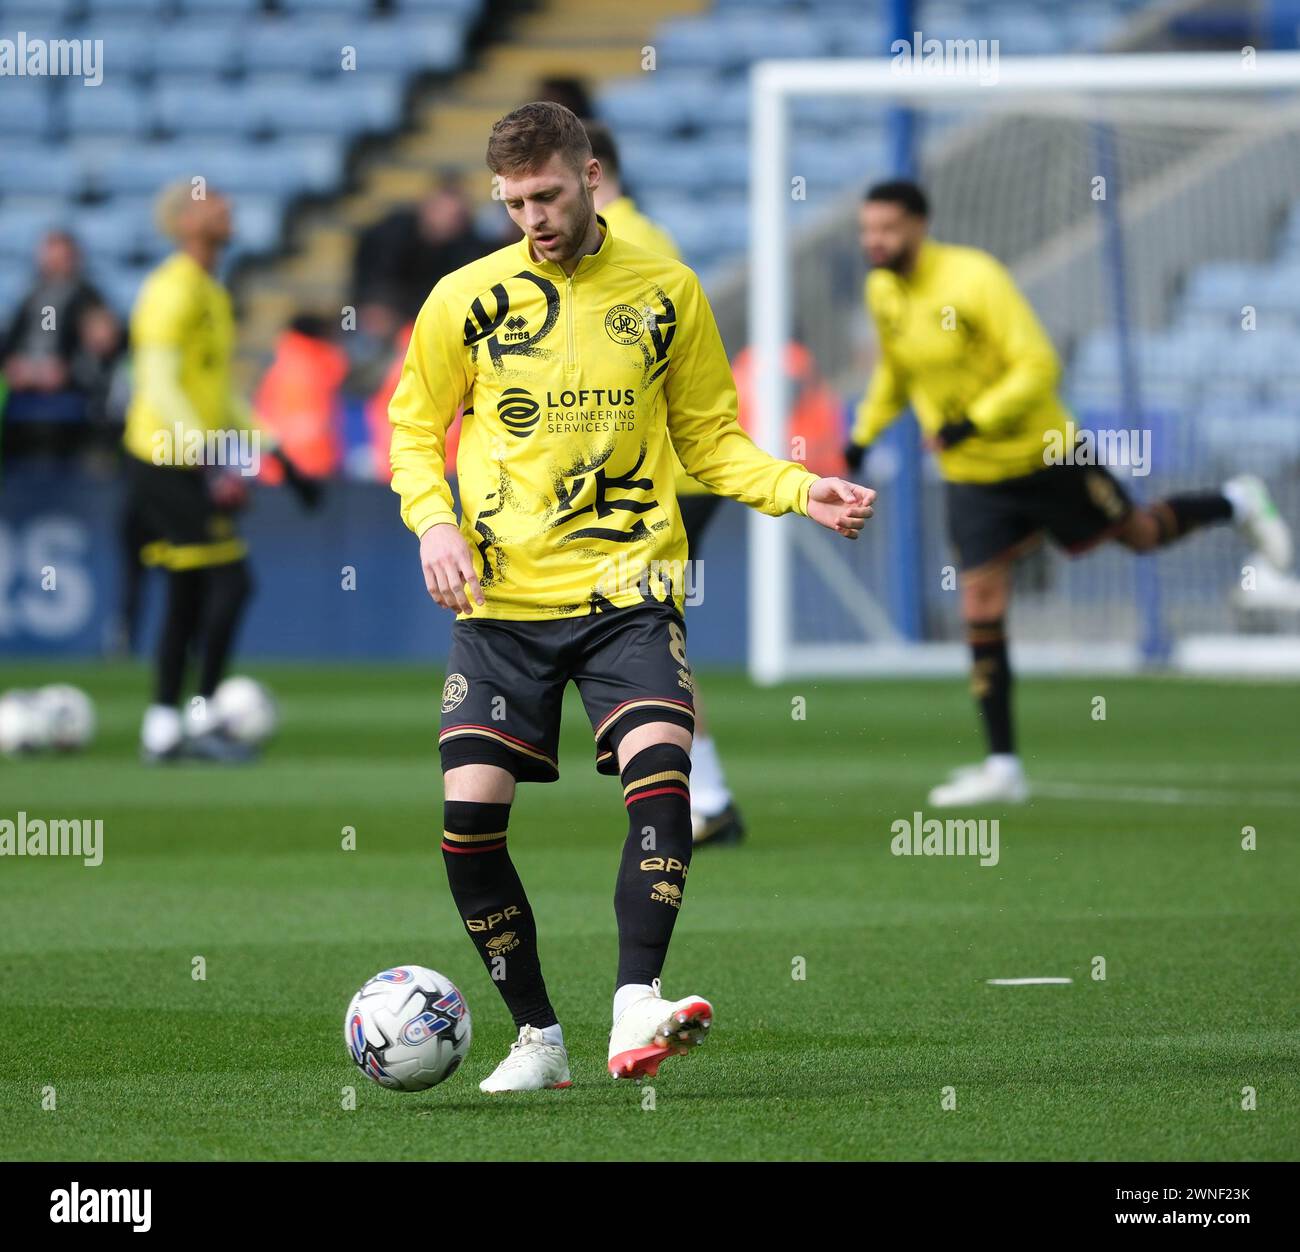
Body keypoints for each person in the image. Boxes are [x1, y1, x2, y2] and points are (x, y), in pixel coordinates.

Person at [389, 102, 876, 1091]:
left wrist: (798, 485)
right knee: (469, 821)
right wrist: (433, 522)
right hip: (500, 602)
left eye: (550, 195)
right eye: (515, 201)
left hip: (630, 589)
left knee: (662, 771)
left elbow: (708, 440)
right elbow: (411, 430)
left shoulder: (665, 293)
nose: (534, 216)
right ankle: (537, 1036)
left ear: (591, 176)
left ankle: (634, 1004)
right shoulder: (465, 300)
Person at [845, 180, 1294, 807]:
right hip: (972, 476)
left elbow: (1038, 365)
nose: (875, 241)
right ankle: (1003, 764)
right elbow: (896, 366)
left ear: (919, 225)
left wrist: (975, 417)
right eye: (868, 230)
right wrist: (863, 433)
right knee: (980, 598)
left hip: (1046, 454)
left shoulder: (975, 280)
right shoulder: (882, 289)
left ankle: (1236, 501)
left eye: (887, 228)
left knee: (1138, 536)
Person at [587, 120, 743, 846]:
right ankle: (700, 792)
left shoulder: (626, 245)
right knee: (650, 630)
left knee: (649, 633)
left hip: (660, 476)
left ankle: (705, 797)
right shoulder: (637, 235)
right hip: (666, 474)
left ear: (586, 173)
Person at [123, 182, 317, 763]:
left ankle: (163, 725)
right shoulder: (169, 291)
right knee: (231, 583)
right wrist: (213, 462)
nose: (229, 206)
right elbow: (158, 386)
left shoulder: (207, 292)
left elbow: (219, 393)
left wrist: (278, 454)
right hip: (165, 462)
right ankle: (199, 717)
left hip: (184, 461)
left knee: (190, 589)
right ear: (186, 221)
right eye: (214, 203)